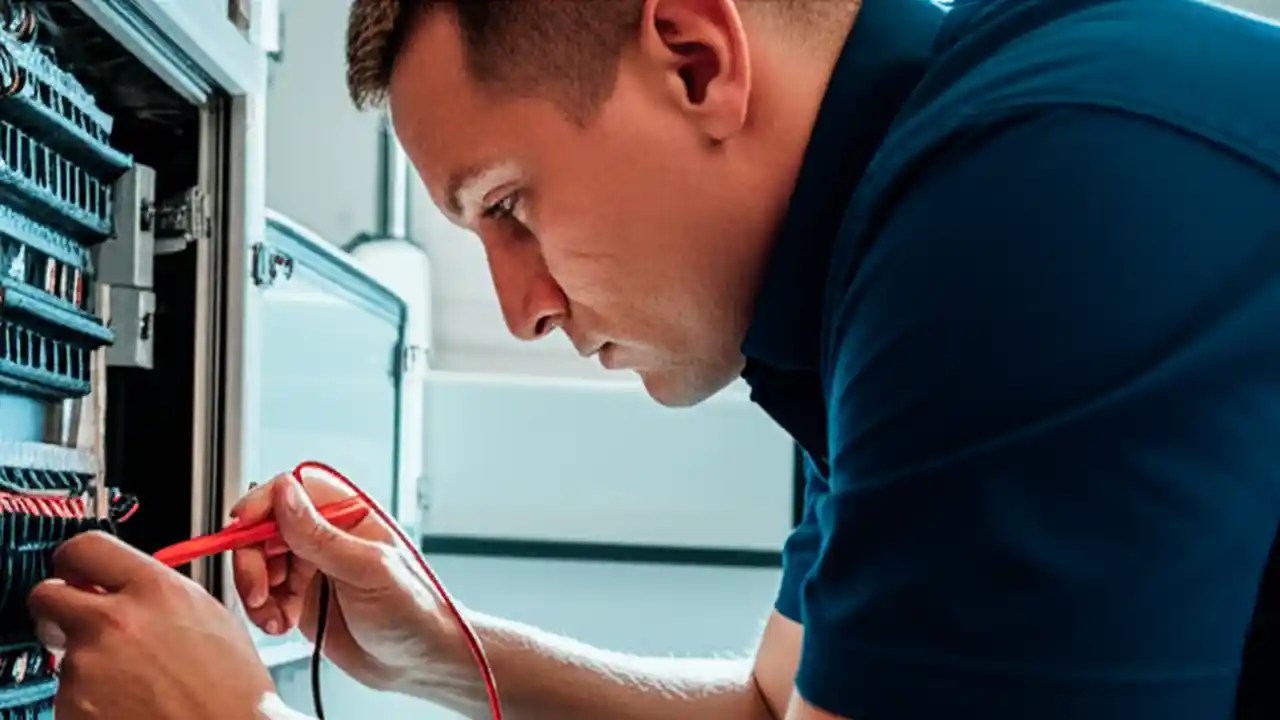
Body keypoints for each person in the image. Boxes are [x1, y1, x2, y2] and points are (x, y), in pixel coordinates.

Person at [25, 0, 1280, 717]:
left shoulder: (1032, 213)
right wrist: (440, 652)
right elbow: (773, 712)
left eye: (508, 204)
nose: (519, 308)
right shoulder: (881, 273)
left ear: (693, 54)